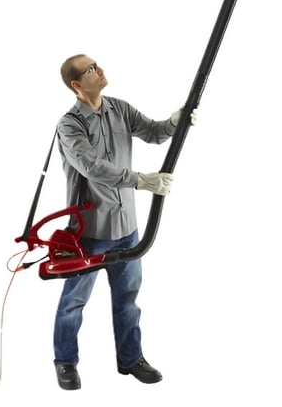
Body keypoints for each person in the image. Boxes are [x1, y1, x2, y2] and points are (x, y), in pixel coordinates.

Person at [53, 54, 196, 391]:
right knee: (73, 302)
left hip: (128, 229)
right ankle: (65, 362)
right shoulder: (70, 125)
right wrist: (141, 181)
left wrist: (175, 121)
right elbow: (92, 168)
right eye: (91, 69)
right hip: (90, 232)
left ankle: (131, 359)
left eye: (96, 64)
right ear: (77, 84)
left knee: (128, 300)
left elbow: (154, 132)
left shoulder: (119, 109)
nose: (99, 70)